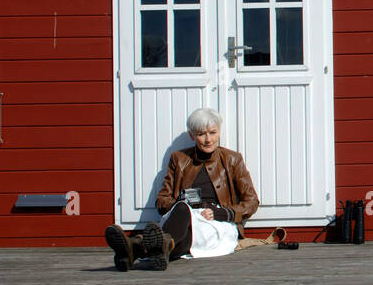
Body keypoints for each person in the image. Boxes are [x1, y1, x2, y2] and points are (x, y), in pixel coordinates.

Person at [104, 107, 259, 270]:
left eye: (212, 133)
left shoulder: (232, 159)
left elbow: (251, 201)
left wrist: (223, 212)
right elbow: (162, 201)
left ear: (219, 132)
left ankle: (134, 248)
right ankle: (155, 248)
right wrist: (180, 203)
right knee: (183, 210)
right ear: (192, 135)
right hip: (182, 216)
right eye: (201, 134)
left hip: (216, 220)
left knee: (185, 235)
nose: (208, 139)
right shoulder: (179, 159)